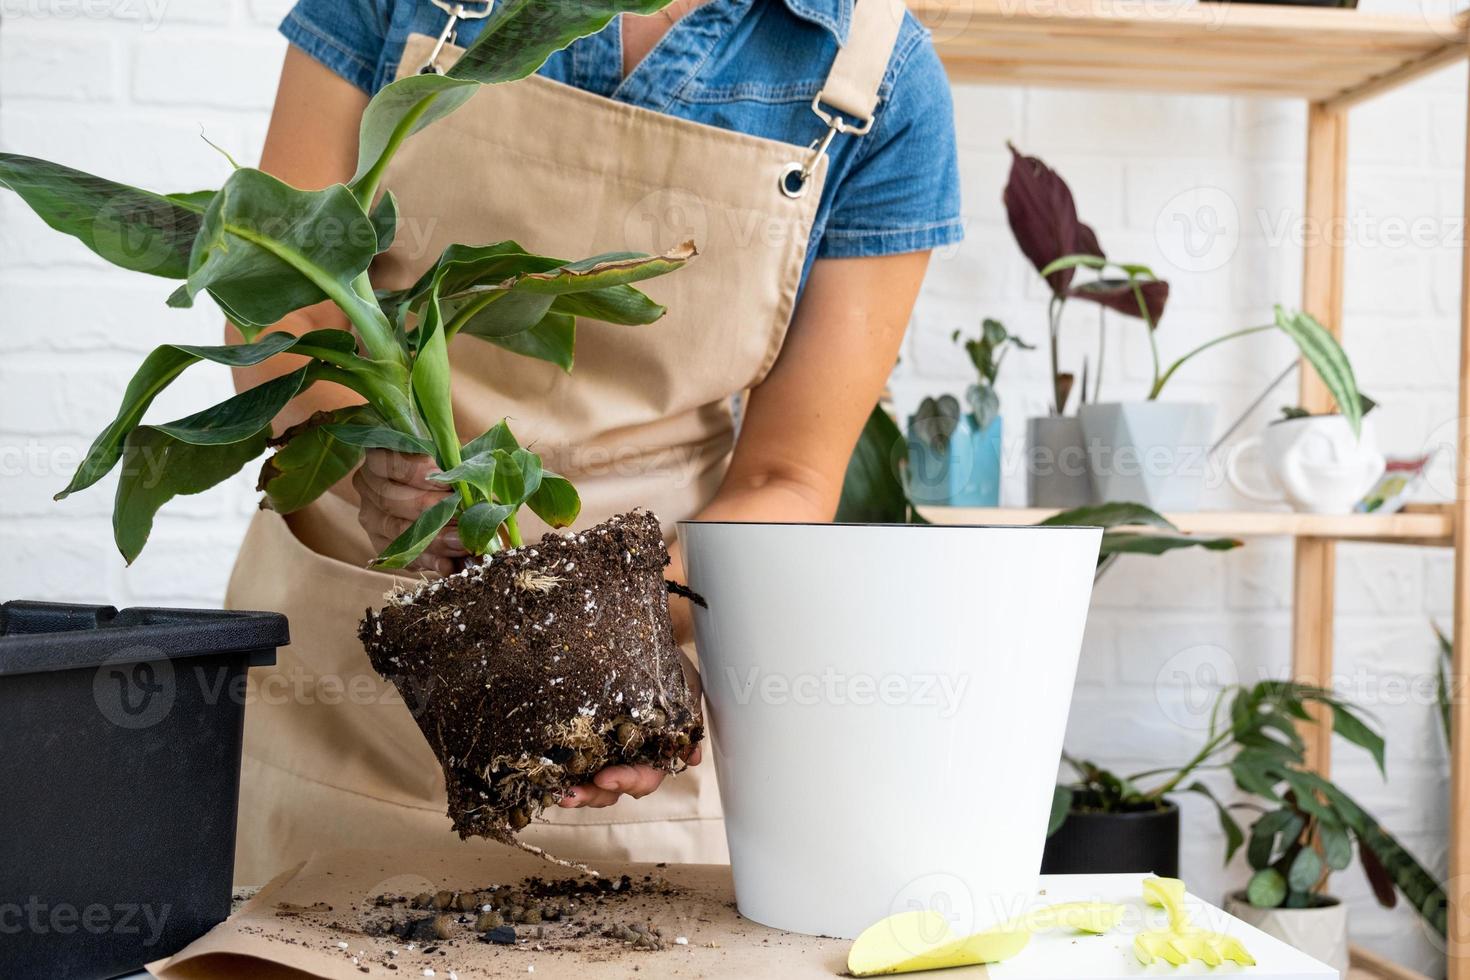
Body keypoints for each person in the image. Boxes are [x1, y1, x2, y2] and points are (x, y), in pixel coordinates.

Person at [225, 0, 962, 884]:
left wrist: (617, 653)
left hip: (626, 703)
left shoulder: (880, 75)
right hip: (341, 690)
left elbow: (788, 475)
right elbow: (278, 293)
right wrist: (362, 459)